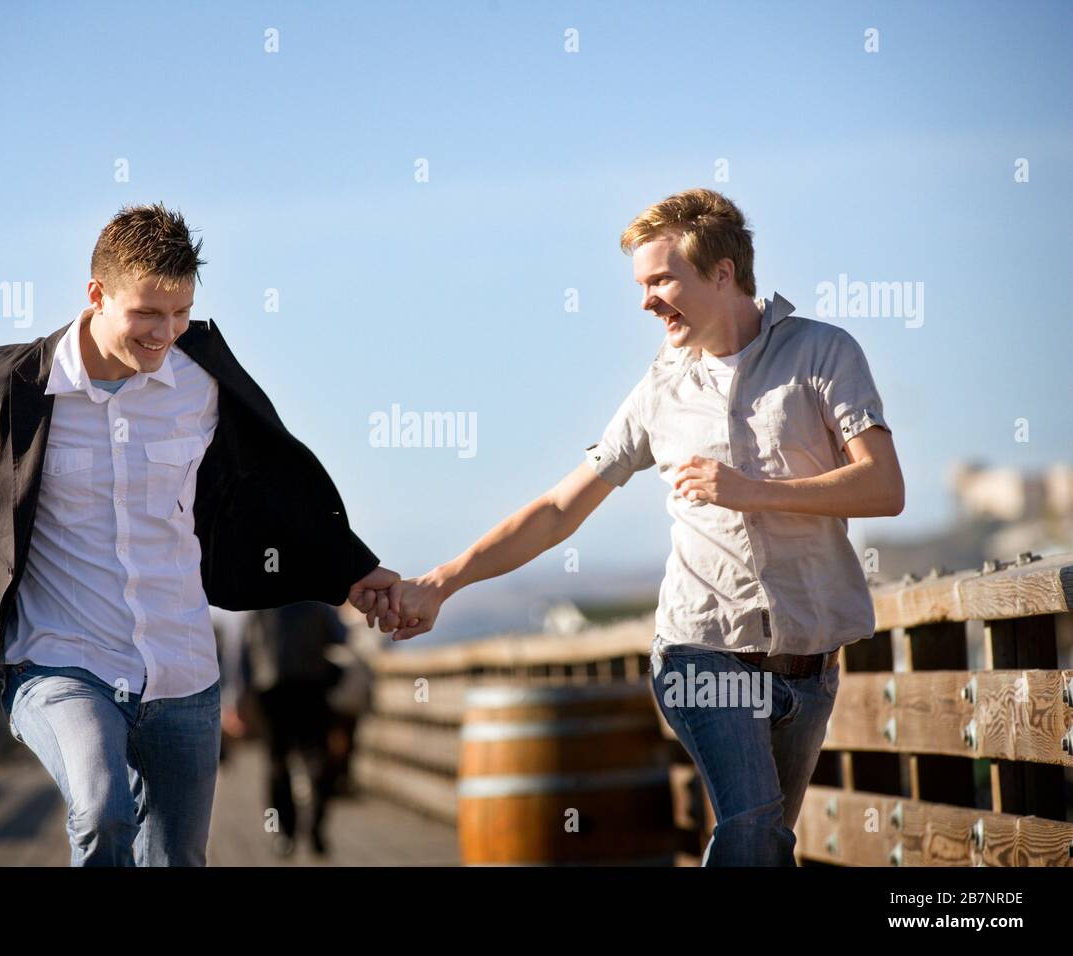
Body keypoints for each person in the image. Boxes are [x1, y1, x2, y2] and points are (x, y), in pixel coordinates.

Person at [362, 188, 905, 866]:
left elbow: (884, 488)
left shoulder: (824, 354)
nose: (646, 300)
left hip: (810, 665)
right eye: (642, 284)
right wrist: (445, 580)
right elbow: (561, 508)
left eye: (660, 280)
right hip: (700, 650)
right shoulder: (659, 393)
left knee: (766, 842)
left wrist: (750, 491)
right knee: (755, 824)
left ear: (722, 273)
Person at [0, 202, 400, 867]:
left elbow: (278, 490)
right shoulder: (14, 381)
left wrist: (356, 568)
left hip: (182, 671)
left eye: (179, 313)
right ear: (96, 295)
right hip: (61, 661)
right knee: (101, 811)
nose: (166, 333)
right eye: (148, 314)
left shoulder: (202, 377)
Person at [240, 602, 346, 857]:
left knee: (277, 764)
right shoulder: (317, 599)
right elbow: (341, 637)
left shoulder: (260, 600)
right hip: (312, 688)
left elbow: (246, 652)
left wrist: (243, 694)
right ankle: (316, 827)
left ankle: (284, 834)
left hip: (271, 690)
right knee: (318, 759)